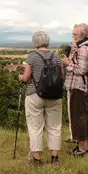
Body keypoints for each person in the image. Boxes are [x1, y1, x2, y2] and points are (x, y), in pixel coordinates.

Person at [19, 31, 63, 165]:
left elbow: (26, 78)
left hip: (35, 95)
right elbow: (61, 76)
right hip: (55, 96)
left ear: (35, 43)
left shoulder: (32, 56)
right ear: (47, 41)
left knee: (35, 128)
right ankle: (55, 158)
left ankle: (37, 159)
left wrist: (19, 77)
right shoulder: (56, 56)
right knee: (55, 127)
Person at [62, 23, 88, 157]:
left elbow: (82, 70)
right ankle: (85, 147)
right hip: (83, 87)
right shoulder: (86, 48)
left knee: (79, 118)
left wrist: (67, 64)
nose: (73, 36)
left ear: (83, 35)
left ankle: (81, 149)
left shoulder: (83, 50)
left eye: (75, 34)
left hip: (78, 87)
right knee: (85, 118)